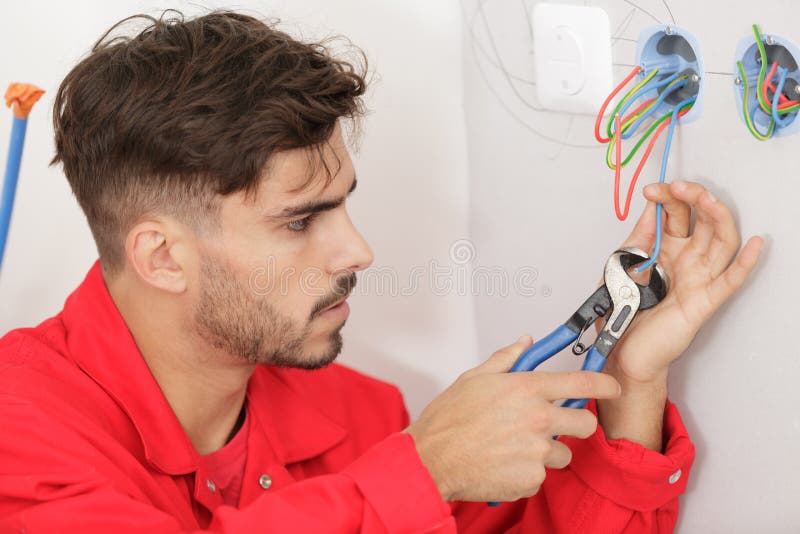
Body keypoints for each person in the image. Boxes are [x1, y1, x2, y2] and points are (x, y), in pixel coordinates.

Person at [0, 10, 762, 533]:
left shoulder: (361, 418)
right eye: (301, 221)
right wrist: (421, 469)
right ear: (162, 256)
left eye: (341, 206)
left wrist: (632, 379)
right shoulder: (19, 423)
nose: (358, 250)